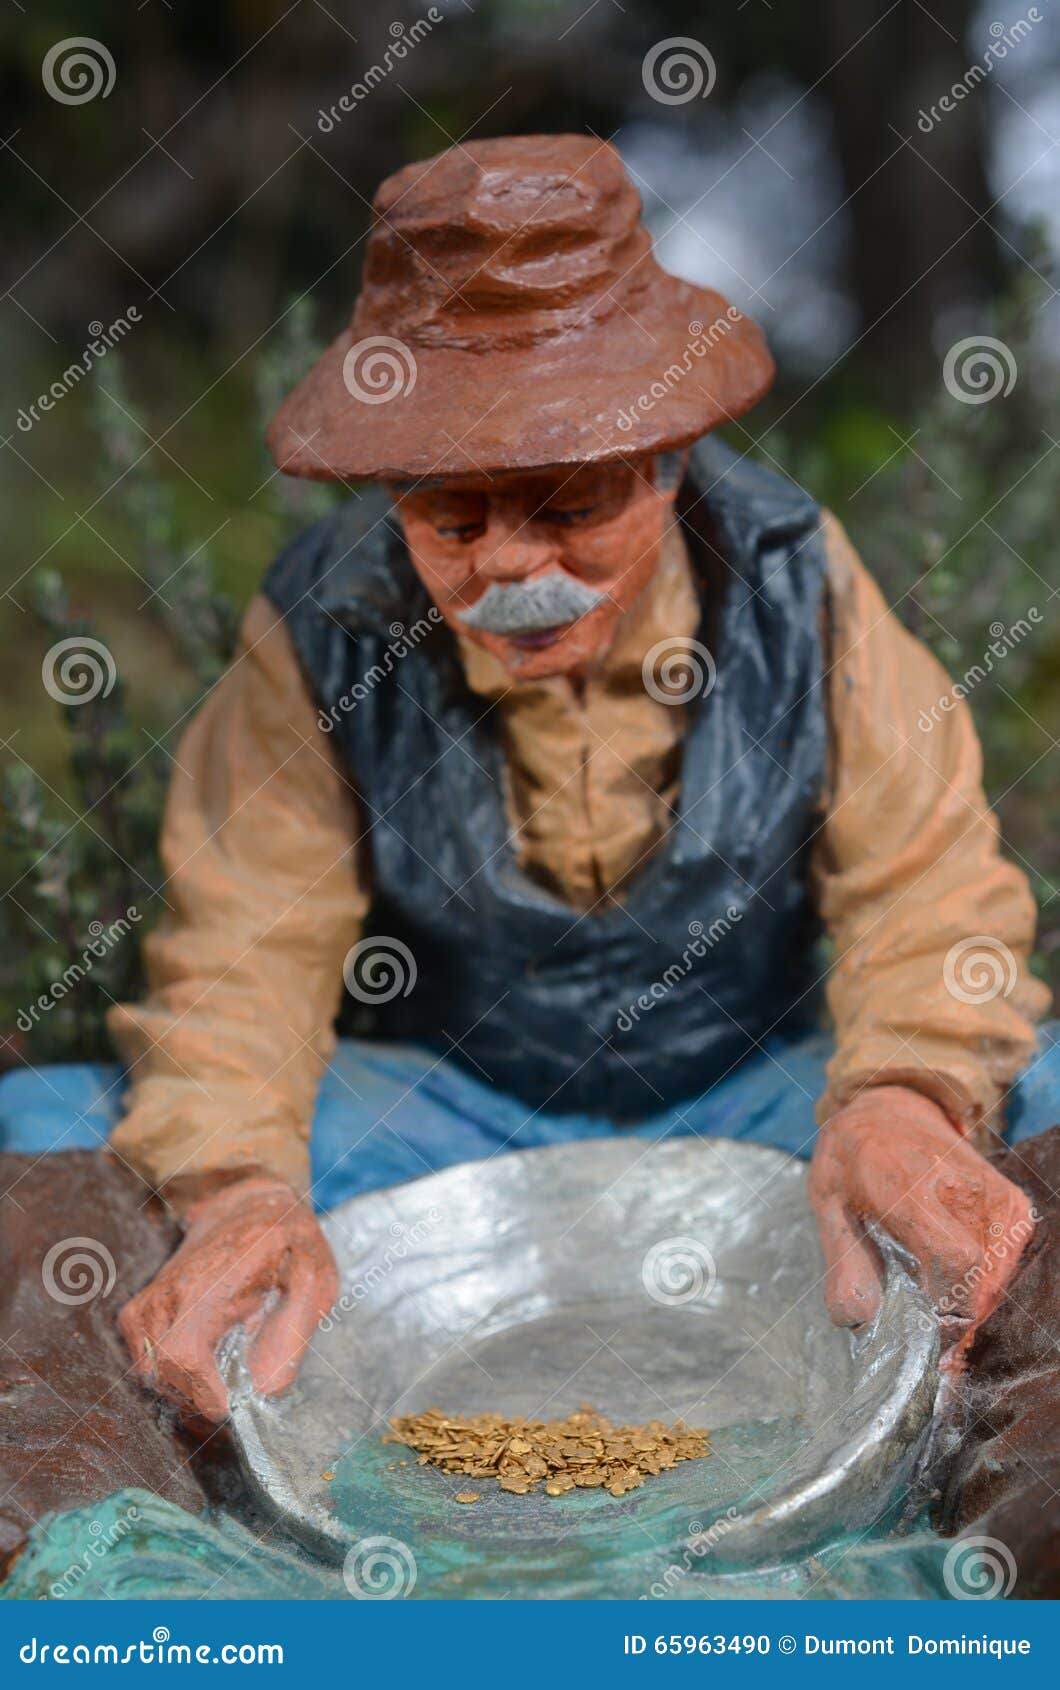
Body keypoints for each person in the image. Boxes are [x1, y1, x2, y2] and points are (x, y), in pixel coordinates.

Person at [110, 136, 1047, 1425]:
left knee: (1031, 1094)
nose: (515, 571)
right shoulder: (322, 623)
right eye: (453, 521)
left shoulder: (794, 578)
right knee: (57, 1128)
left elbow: (926, 880)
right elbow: (243, 951)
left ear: (665, 464)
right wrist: (237, 1188)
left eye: (571, 505)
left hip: (757, 1101)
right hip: (452, 1116)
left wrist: (901, 1093)